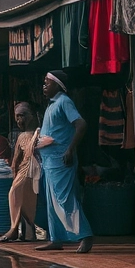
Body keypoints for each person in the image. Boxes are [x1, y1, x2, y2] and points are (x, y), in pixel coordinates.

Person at [36, 72, 93, 253]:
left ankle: (85, 235)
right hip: (49, 161)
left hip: (61, 160)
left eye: (47, 83)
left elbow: (81, 124)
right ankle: (56, 238)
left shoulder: (64, 102)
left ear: (58, 85)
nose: (44, 86)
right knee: (51, 202)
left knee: (65, 199)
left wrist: (70, 149)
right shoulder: (51, 105)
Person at [0, 103, 41, 244]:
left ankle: (18, 230)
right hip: (24, 170)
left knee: (18, 195)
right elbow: (16, 159)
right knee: (16, 194)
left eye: (21, 116)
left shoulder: (38, 133)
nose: (18, 120)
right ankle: (19, 230)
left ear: (30, 116)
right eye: (16, 117)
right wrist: (15, 173)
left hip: (34, 170)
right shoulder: (22, 136)